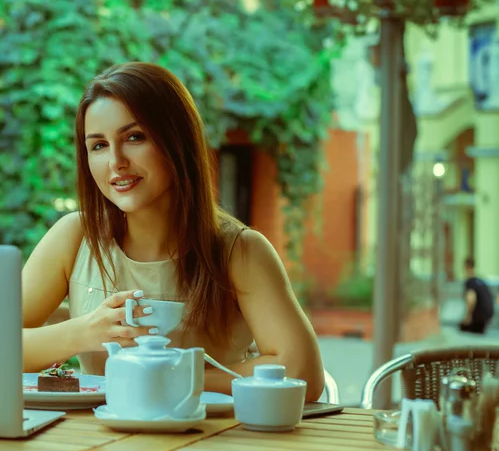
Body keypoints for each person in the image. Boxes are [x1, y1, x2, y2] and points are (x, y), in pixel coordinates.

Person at [22, 62, 325, 400]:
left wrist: (168, 377)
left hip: (212, 440)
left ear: (176, 141)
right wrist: (82, 333)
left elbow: (302, 374)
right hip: (98, 442)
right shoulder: (75, 236)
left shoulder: (239, 250)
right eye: (98, 145)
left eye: (134, 137)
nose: (115, 161)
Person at [459, 257, 494, 334]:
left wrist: (467, 316)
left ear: (465, 267)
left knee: (461, 327)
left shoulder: (470, 282)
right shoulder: (481, 281)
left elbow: (471, 299)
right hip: (486, 317)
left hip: (477, 318)